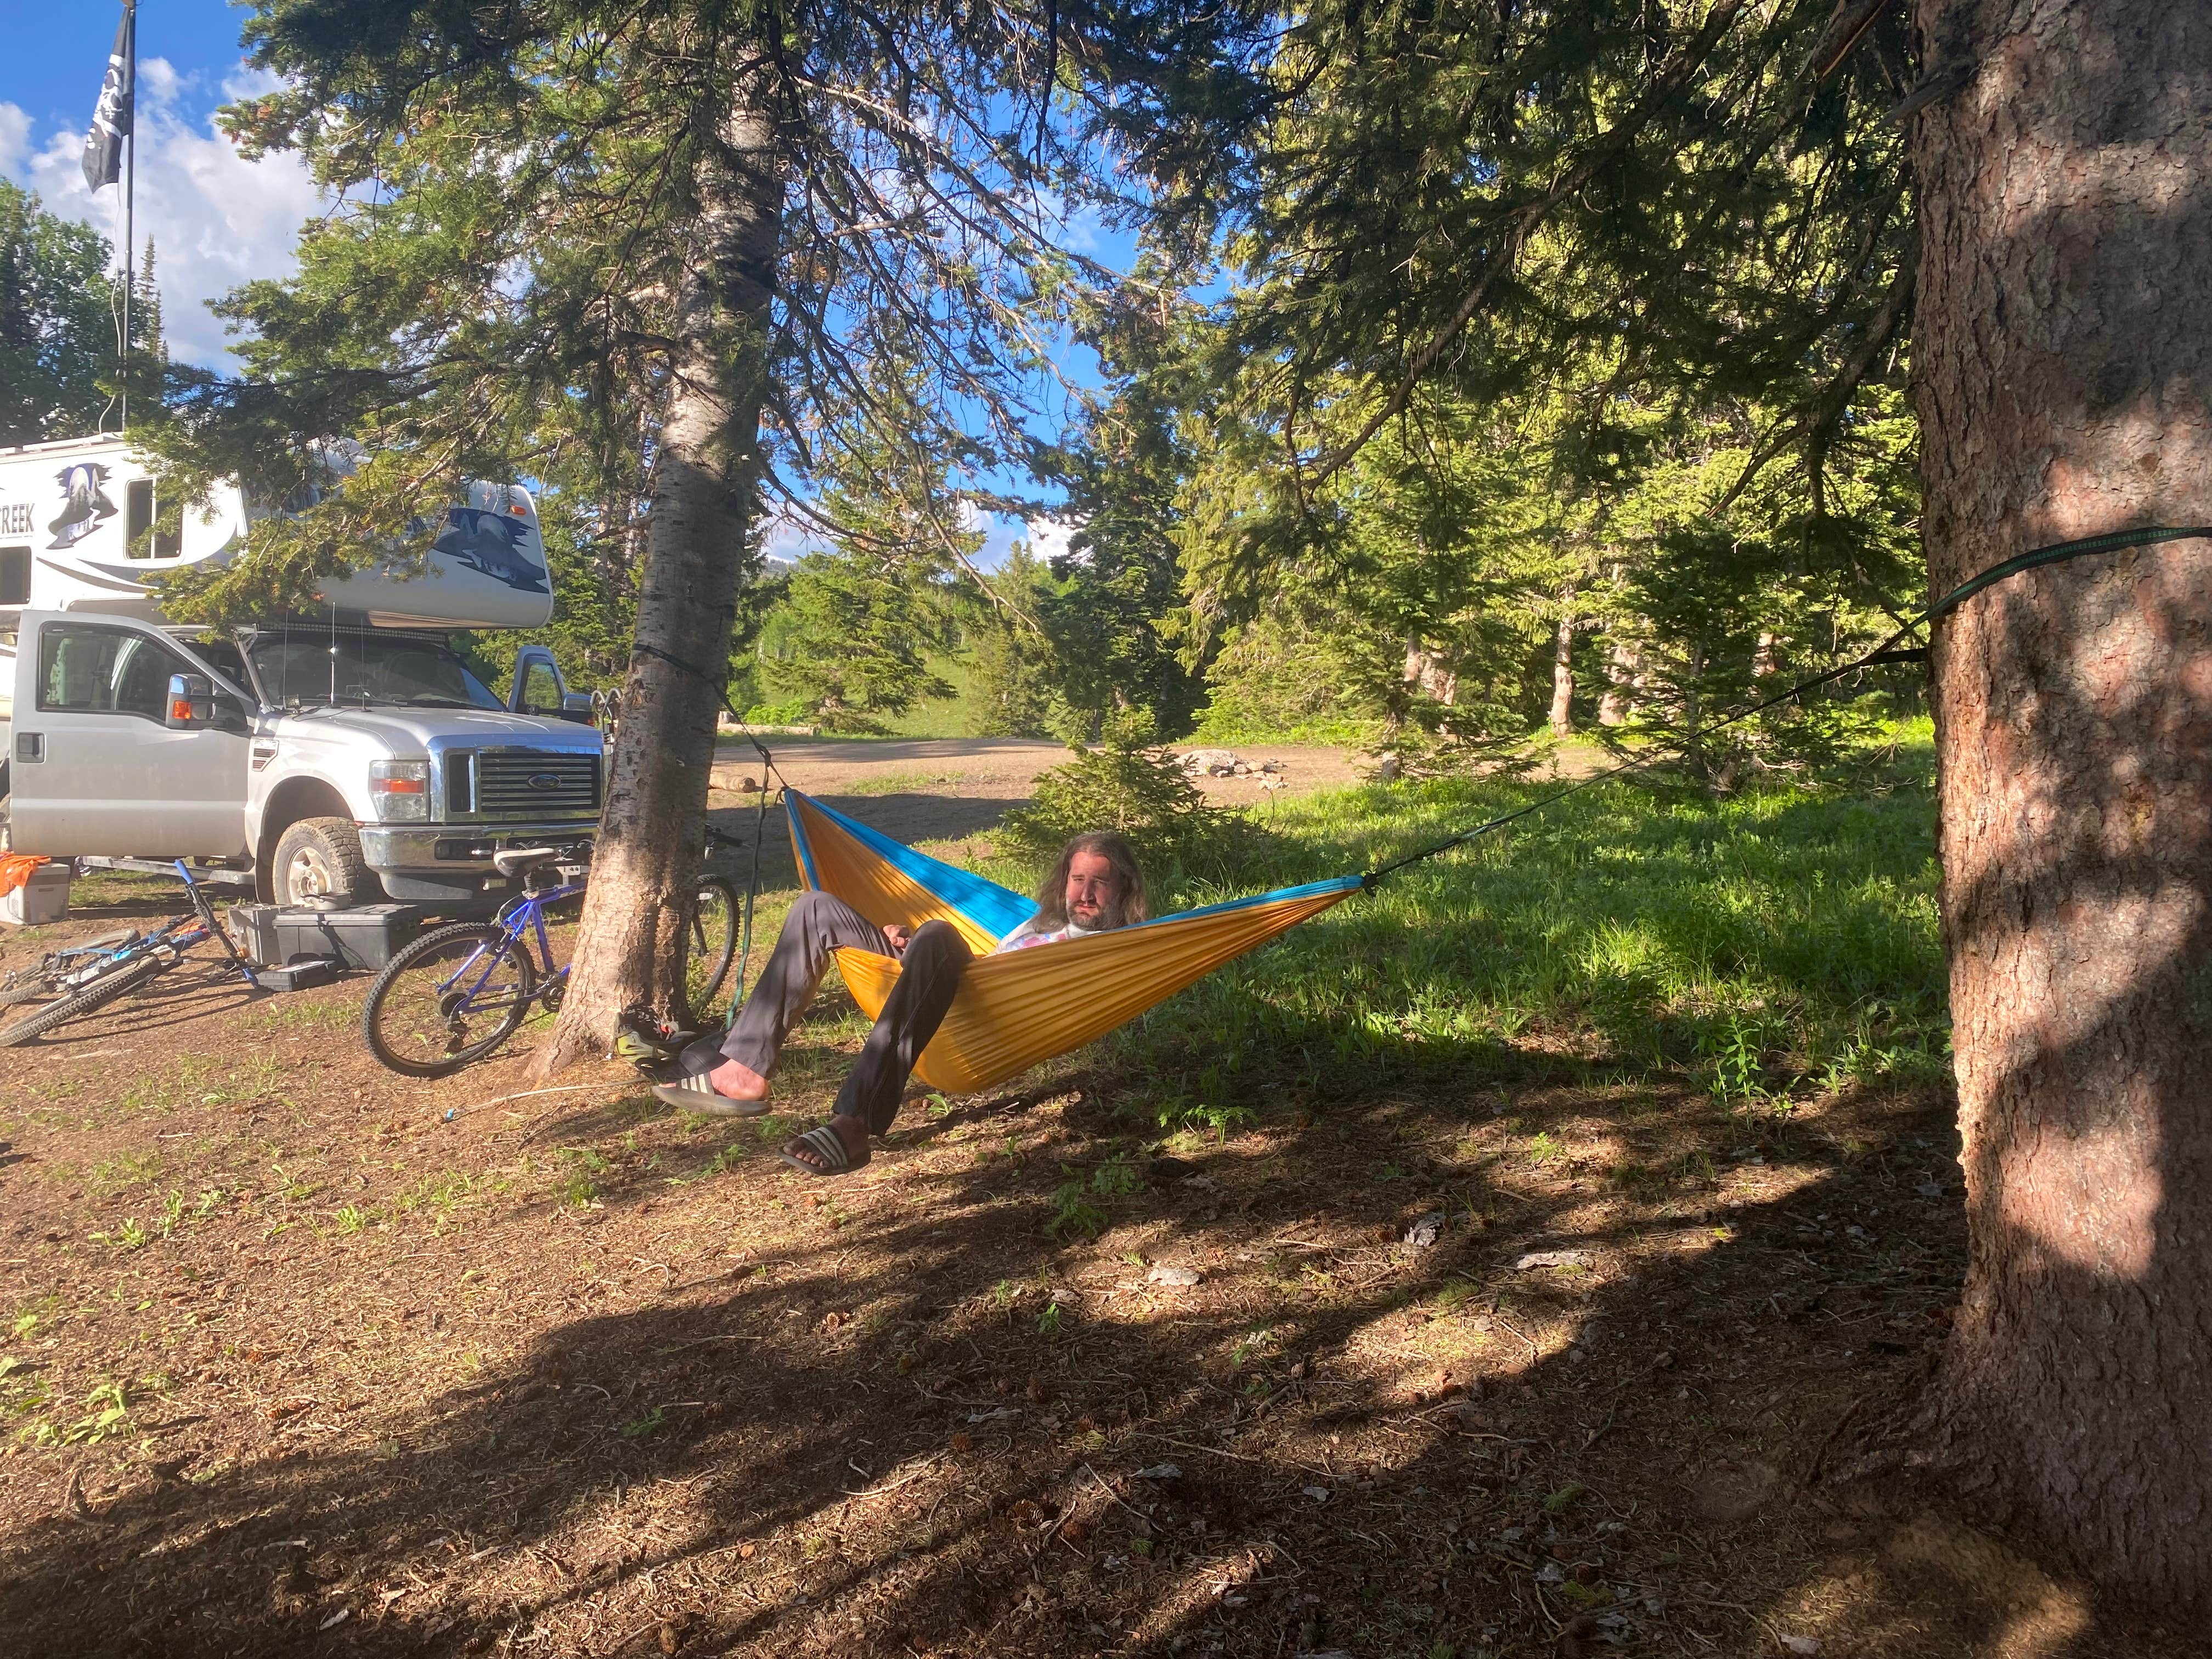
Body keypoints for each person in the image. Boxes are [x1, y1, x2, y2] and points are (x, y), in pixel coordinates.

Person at [653, 831, 1147, 1175]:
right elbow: (988, 955)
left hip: (989, 1010)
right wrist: (907, 951)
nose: (1085, 892)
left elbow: (1041, 990)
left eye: (1100, 882)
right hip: (943, 981)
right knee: (814, 908)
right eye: (1078, 878)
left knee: (936, 933)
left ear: (1122, 888)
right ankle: (744, 1069)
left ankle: (855, 1123)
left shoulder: (1112, 945)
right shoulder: (1039, 922)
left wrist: (932, 947)